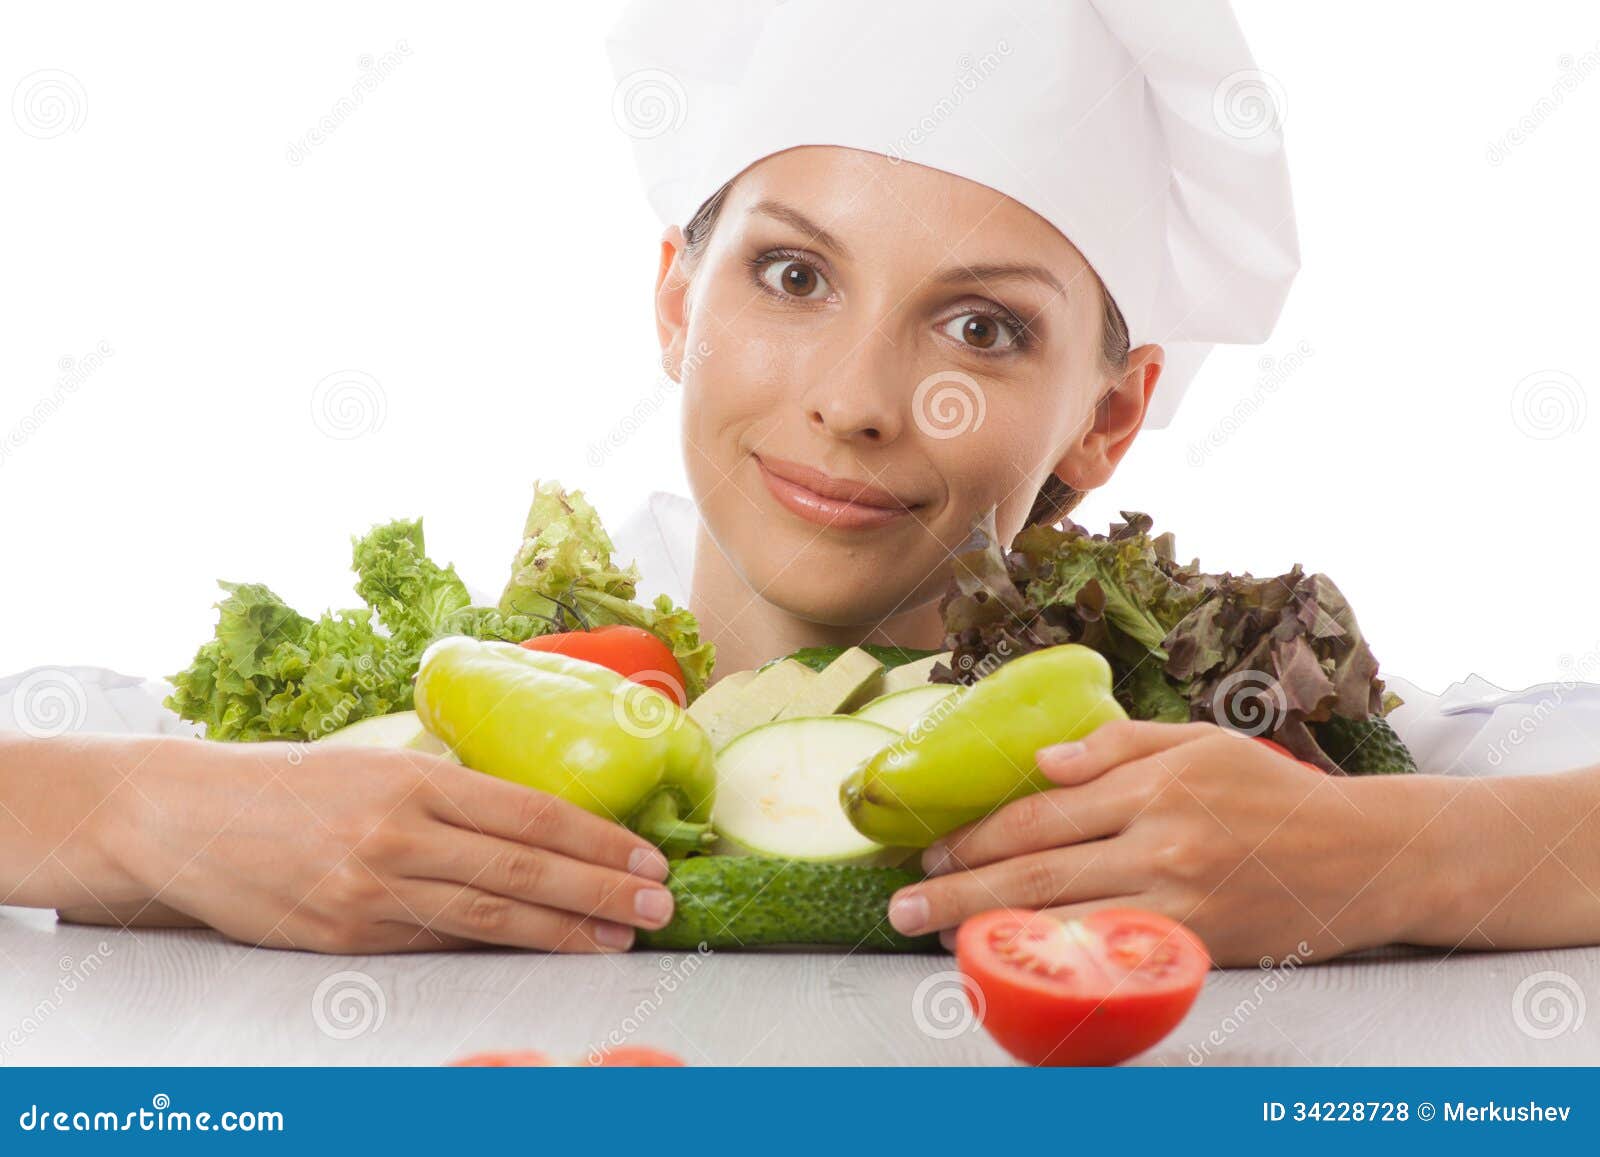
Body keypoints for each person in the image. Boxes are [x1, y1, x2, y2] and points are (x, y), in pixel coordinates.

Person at [4, 0, 1599, 966]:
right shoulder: (457, 697)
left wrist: (1382, 853)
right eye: (789, 275)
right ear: (674, 301)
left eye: (980, 324)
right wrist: (152, 813)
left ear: (1110, 418)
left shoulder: (1210, 747)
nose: (850, 401)